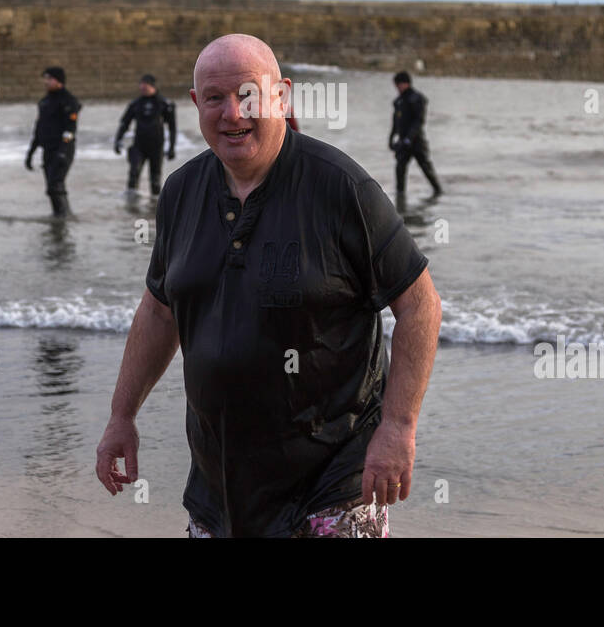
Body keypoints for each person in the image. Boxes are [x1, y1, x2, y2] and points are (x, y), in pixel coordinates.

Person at [95, 34, 443, 538]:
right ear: (196, 104)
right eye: (215, 98)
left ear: (281, 96)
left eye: (249, 95)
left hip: (330, 485)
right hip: (220, 487)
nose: (233, 114)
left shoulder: (341, 188)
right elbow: (160, 311)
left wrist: (398, 428)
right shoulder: (181, 192)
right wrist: (121, 416)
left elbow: (420, 306)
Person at [25, 66, 81, 217]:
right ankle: (61, 216)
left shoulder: (69, 101)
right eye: (45, 78)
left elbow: (70, 129)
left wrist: (63, 150)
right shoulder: (44, 102)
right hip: (48, 150)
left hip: (63, 149)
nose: (46, 82)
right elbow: (38, 129)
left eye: (49, 79)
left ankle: (63, 217)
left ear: (59, 81)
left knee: (55, 185)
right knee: (51, 187)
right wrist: (31, 152)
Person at [114, 74, 177, 195]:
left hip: (156, 146)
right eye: (141, 86)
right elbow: (124, 124)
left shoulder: (164, 103)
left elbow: (172, 127)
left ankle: (154, 206)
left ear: (153, 86)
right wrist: (117, 140)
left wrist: (172, 148)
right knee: (133, 173)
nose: (143, 88)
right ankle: (131, 206)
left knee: (155, 180)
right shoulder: (135, 104)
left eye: (145, 86)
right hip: (139, 146)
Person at [389, 71, 442, 197]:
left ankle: (438, 191)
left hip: (417, 142)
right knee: (399, 169)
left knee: (426, 168)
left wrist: (409, 138)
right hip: (403, 143)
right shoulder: (398, 101)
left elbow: (419, 121)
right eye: (396, 85)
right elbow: (396, 122)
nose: (397, 87)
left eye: (399, 84)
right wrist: (391, 139)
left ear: (406, 83)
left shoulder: (417, 99)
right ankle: (400, 197)